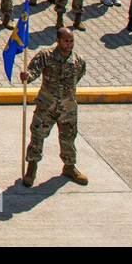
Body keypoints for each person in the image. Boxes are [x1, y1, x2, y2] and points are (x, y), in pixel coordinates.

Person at [21, 27, 89, 187]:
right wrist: (27, 77)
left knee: (68, 138)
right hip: (47, 107)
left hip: (68, 108)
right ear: (58, 41)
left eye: (71, 40)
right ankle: (32, 168)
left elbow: (79, 76)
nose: (69, 44)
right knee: (37, 137)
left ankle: (69, 167)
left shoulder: (78, 60)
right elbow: (33, 72)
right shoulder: (46, 56)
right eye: (66, 40)